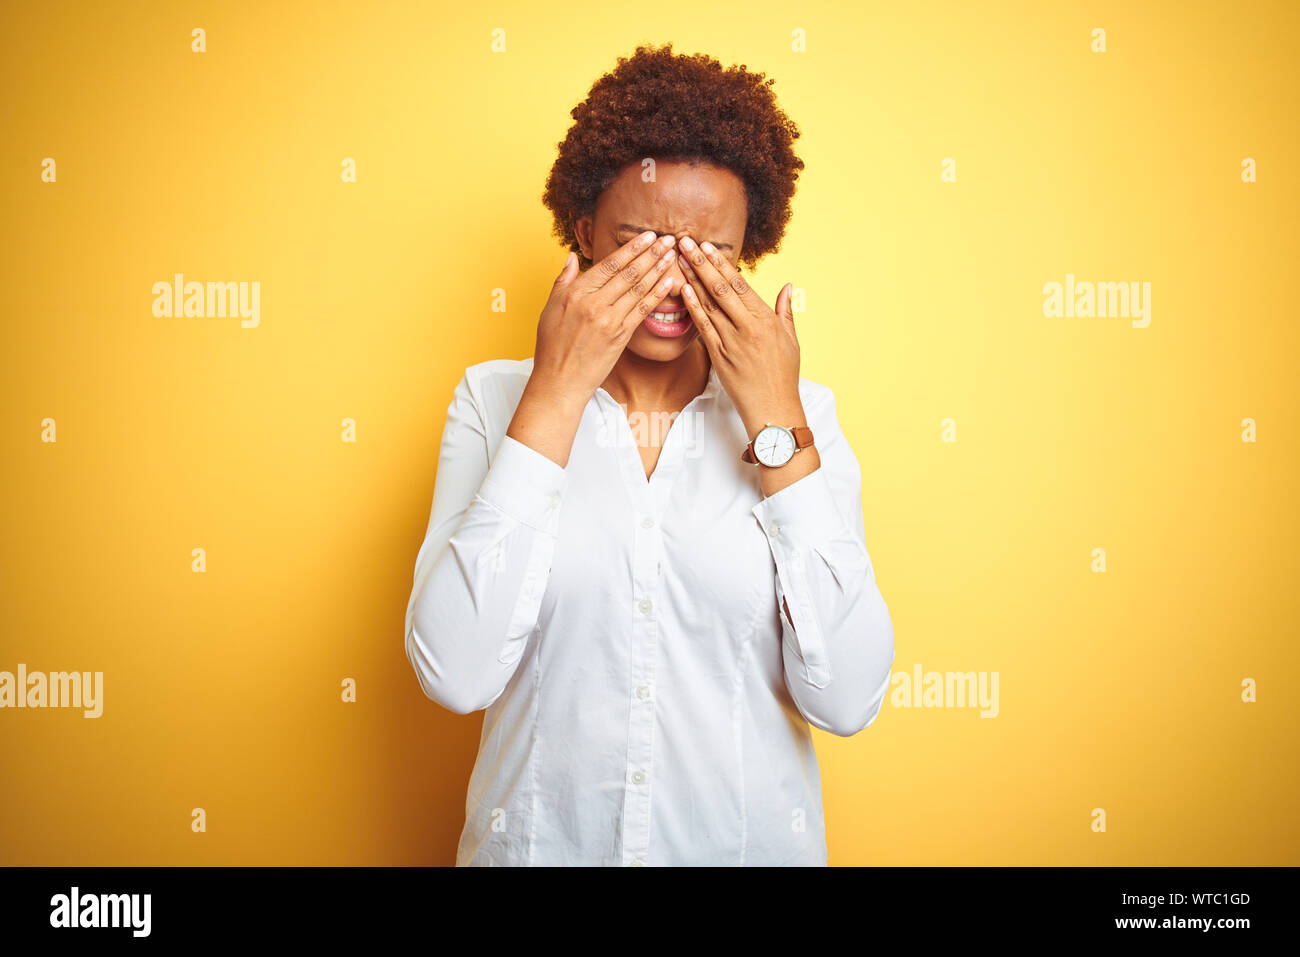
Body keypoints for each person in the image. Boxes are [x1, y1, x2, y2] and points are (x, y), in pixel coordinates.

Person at [404, 42, 895, 866]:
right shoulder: (493, 402)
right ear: (584, 228)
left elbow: (847, 697)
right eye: (641, 242)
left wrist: (774, 418)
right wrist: (555, 396)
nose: (673, 285)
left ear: (750, 251)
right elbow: (453, 672)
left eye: (713, 256)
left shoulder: (805, 417)